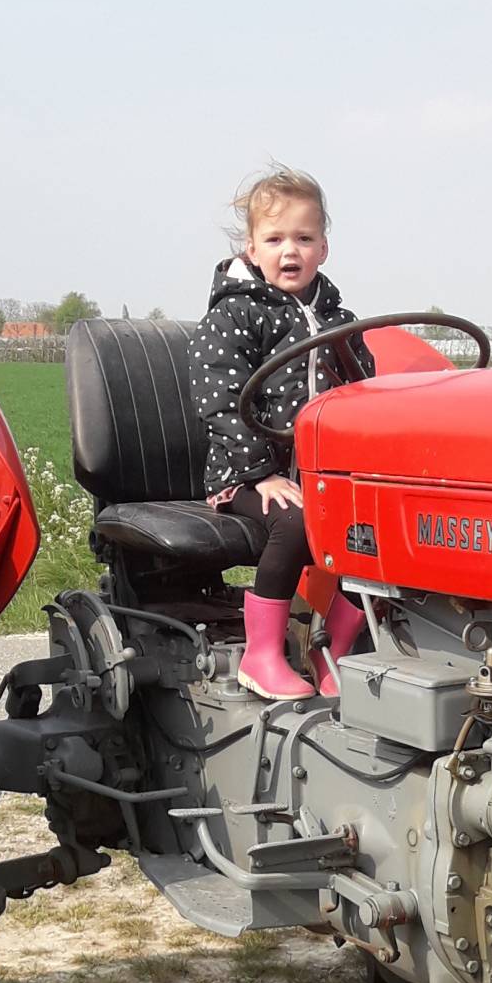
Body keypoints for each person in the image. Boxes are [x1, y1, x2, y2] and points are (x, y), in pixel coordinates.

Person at [188, 166, 373, 701]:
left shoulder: (338, 319)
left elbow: (363, 389)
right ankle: (261, 654)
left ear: (323, 249)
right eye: (274, 239)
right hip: (245, 475)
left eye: (304, 238)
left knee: (376, 528)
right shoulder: (235, 315)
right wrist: (262, 473)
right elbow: (219, 400)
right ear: (251, 248)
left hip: (316, 473)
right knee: (292, 523)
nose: (289, 250)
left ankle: (333, 647)